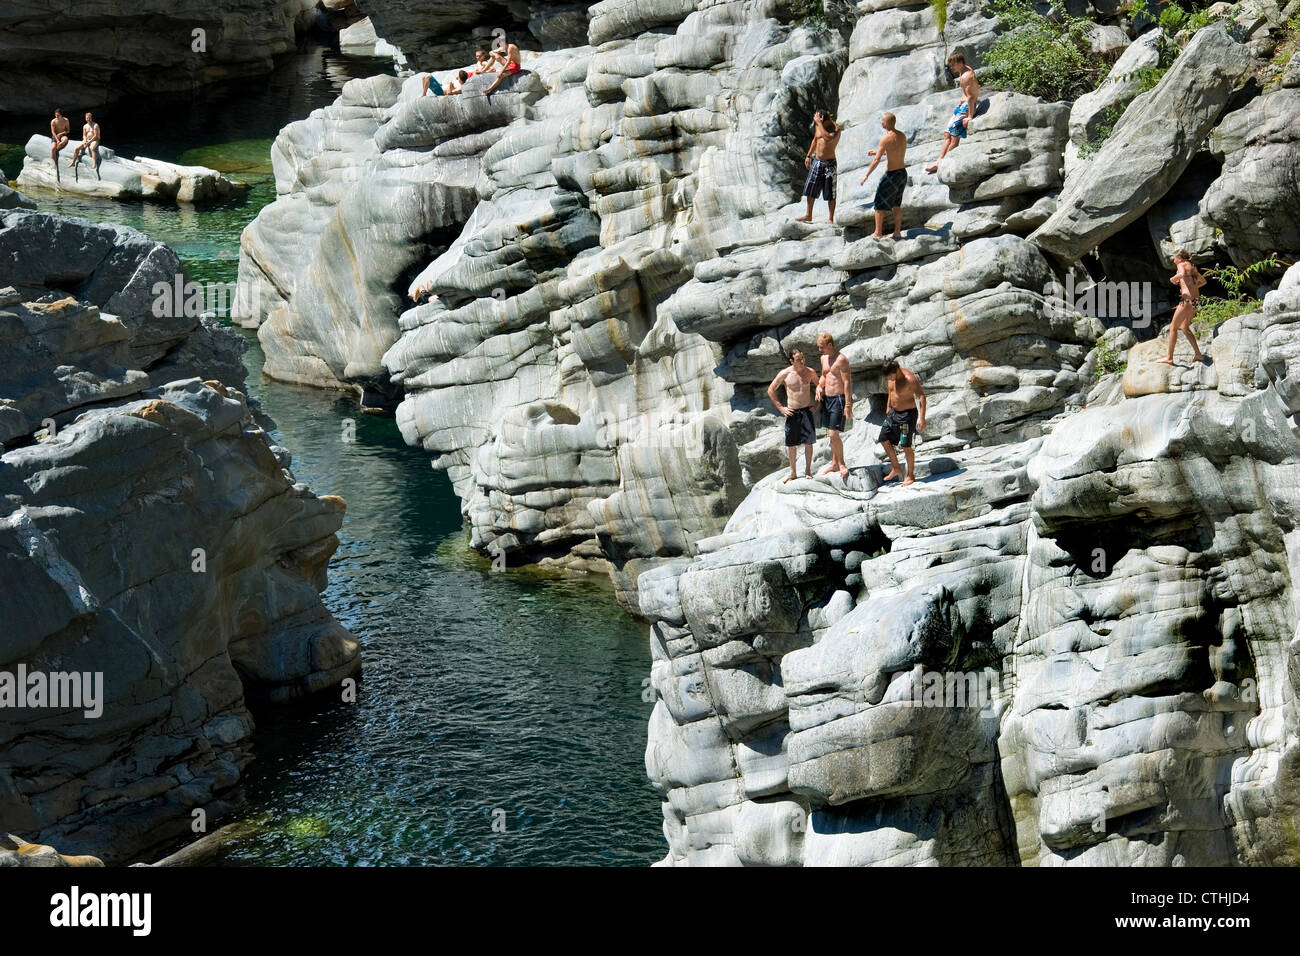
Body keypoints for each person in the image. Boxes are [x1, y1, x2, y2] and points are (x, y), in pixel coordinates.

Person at [767, 350, 821, 483]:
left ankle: (808, 471)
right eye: (798, 359)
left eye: (803, 358)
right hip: (792, 412)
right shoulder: (785, 373)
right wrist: (781, 408)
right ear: (791, 361)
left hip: (806, 411)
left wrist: (817, 404)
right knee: (791, 445)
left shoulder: (810, 372)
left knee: (809, 443)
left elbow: (820, 386)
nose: (802, 361)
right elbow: (771, 390)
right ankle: (793, 473)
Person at [925, 52, 979, 174]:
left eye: (953, 65)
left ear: (960, 63)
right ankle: (939, 161)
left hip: (966, 108)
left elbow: (971, 97)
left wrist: (970, 116)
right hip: (962, 106)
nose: (951, 68)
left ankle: (943, 163)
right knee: (947, 134)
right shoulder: (963, 70)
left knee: (954, 136)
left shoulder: (967, 76)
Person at [1155, 249, 1210, 366]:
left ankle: (1169, 357)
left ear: (1179, 258)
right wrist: (1192, 286)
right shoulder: (1192, 266)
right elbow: (1203, 281)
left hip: (1187, 300)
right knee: (1184, 327)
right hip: (1195, 301)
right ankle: (1198, 354)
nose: (1173, 260)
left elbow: (1182, 274)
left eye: (1174, 258)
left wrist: (1173, 279)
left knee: (1173, 327)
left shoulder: (1181, 264)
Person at [878, 360, 926, 487]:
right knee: (883, 438)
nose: (888, 378)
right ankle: (896, 468)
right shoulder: (891, 377)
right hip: (893, 413)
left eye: (890, 375)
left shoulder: (909, 379)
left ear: (897, 370)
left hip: (907, 416)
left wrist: (922, 418)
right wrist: (888, 406)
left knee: (905, 445)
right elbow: (891, 391)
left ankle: (910, 476)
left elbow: (921, 396)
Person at [859, 112, 908, 239]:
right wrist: (877, 152)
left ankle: (878, 233)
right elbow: (895, 151)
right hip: (902, 173)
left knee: (879, 204)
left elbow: (876, 161)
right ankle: (897, 232)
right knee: (896, 204)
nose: (881, 123)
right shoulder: (902, 136)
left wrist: (866, 175)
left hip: (891, 175)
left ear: (886, 123)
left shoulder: (885, 139)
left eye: (882, 121)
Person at [815, 332, 852, 478]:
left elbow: (848, 383)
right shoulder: (823, 358)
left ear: (830, 345)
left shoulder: (841, 359)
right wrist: (819, 386)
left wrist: (848, 405)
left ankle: (841, 464)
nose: (820, 350)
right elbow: (824, 376)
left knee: (833, 434)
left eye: (821, 347)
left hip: (839, 399)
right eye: (819, 347)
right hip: (828, 400)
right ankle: (834, 463)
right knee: (831, 435)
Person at [796, 109, 841, 224]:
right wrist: (808, 156)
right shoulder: (818, 126)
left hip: (829, 164)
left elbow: (828, 138)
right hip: (817, 161)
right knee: (810, 188)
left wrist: (820, 124)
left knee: (830, 192)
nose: (817, 123)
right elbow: (815, 140)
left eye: (819, 121)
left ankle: (830, 218)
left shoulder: (835, 128)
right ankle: (808, 215)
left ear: (825, 120)